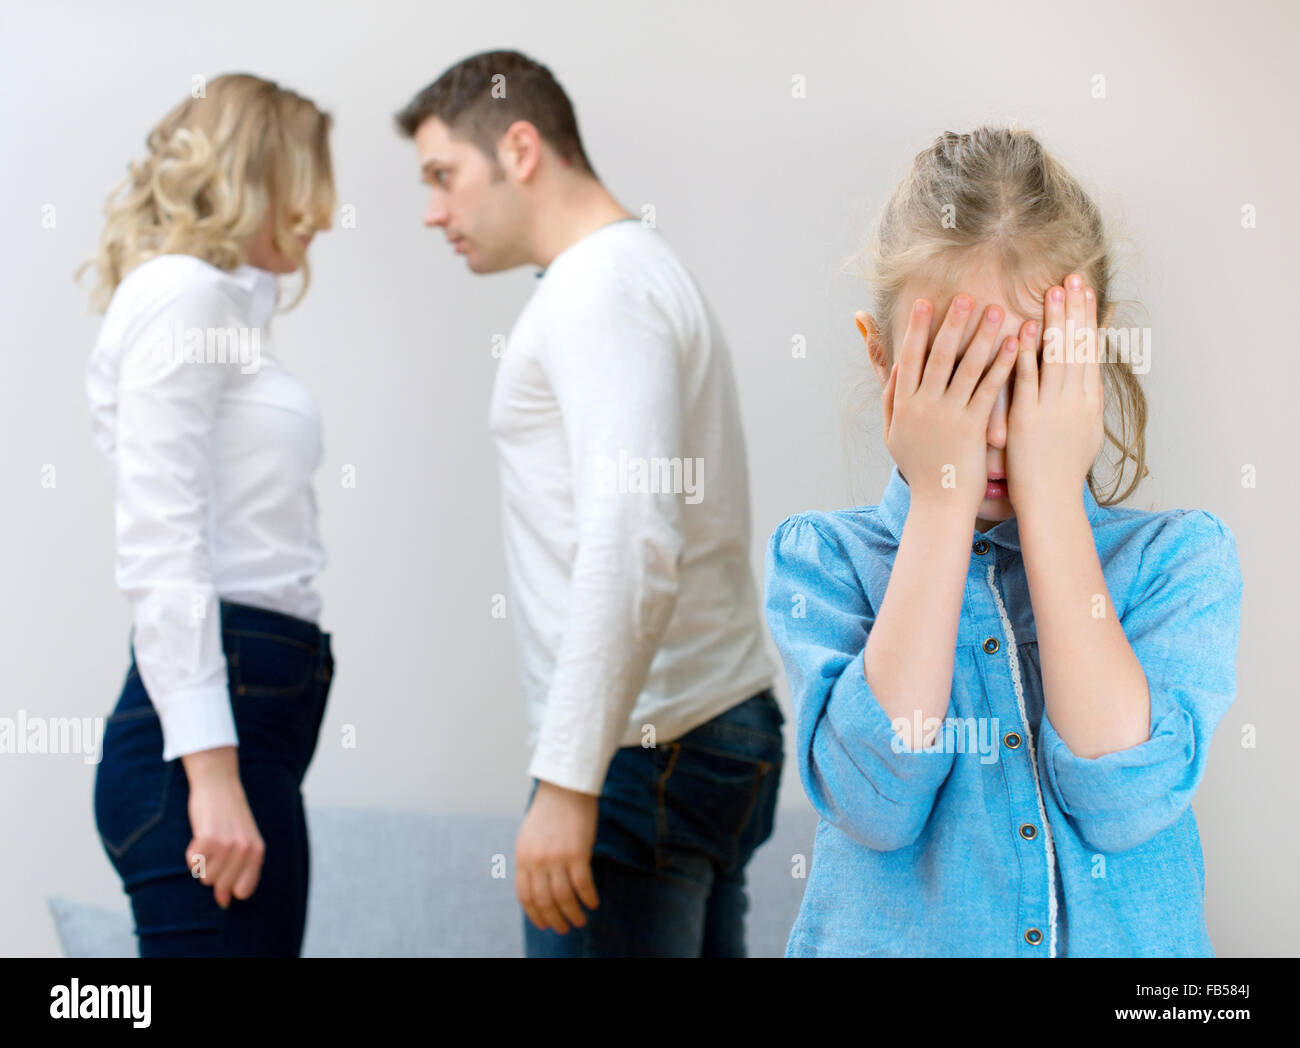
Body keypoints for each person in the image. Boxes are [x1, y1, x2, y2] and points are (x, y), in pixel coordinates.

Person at [764, 126, 1242, 957]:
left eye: (1027, 379)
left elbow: (1124, 798)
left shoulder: (1180, 562)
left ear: (1086, 365)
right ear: (881, 359)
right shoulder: (823, 562)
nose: (992, 429)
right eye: (958, 376)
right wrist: (942, 505)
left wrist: (1052, 495)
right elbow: (874, 800)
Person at [395, 49, 783, 957]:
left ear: (520, 149)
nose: (433, 212)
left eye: (444, 176)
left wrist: (569, 783)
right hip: (700, 730)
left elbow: (632, 536)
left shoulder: (598, 288)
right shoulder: (636, 272)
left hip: (641, 749)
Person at [80, 73, 337, 957]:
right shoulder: (185, 297)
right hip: (207, 733)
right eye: (311, 175)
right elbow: (161, 541)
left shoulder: (221, 307)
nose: (327, 211)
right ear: (259, 172)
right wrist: (213, 774)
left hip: (251, 714)